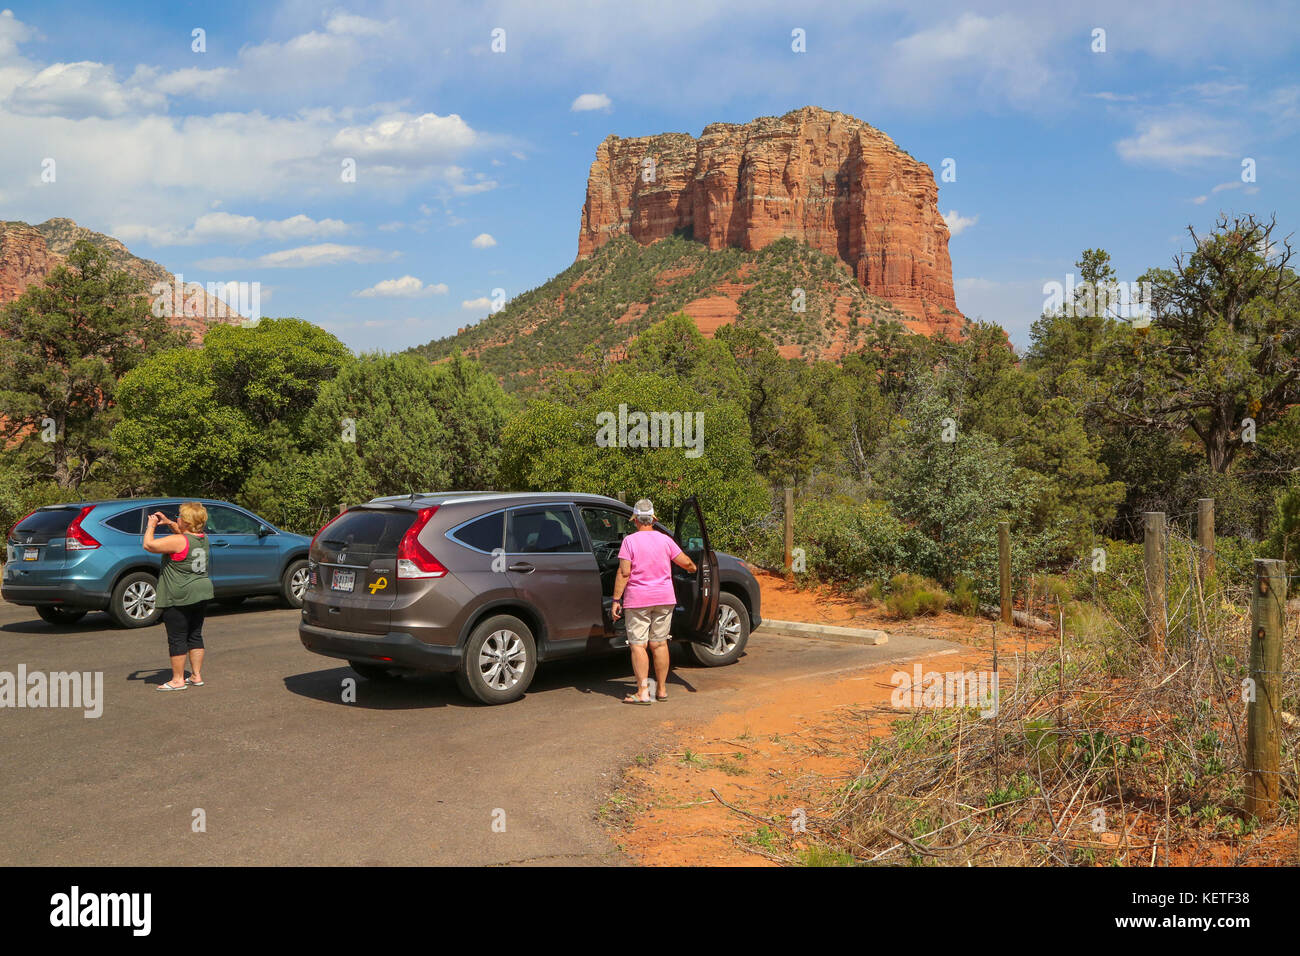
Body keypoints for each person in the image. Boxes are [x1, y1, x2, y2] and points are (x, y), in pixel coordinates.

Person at [611, 498, 696, 705]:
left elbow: (624, 573)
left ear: (635, 520)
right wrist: (694, 568)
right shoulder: (665, 540)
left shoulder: (629, 542)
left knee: (638, 645)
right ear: (654, 519)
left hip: (638, 599)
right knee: (659, 643)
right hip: (664, 598)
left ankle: (642, 692)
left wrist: (616, 599)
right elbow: (685, 562)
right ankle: (662, 690)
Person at [143, 503, 214, 692]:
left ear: (187, 521)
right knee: (195, 635)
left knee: (177, 638)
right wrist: (168, 522)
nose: (177, 519)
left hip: (179, 594)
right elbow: (183, 532)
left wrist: (151, 525)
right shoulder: (202, 538)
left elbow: (149, 545)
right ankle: (196, 675)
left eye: (179, 517)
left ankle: (177, 680)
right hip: (201, 592)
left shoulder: (178, 541)